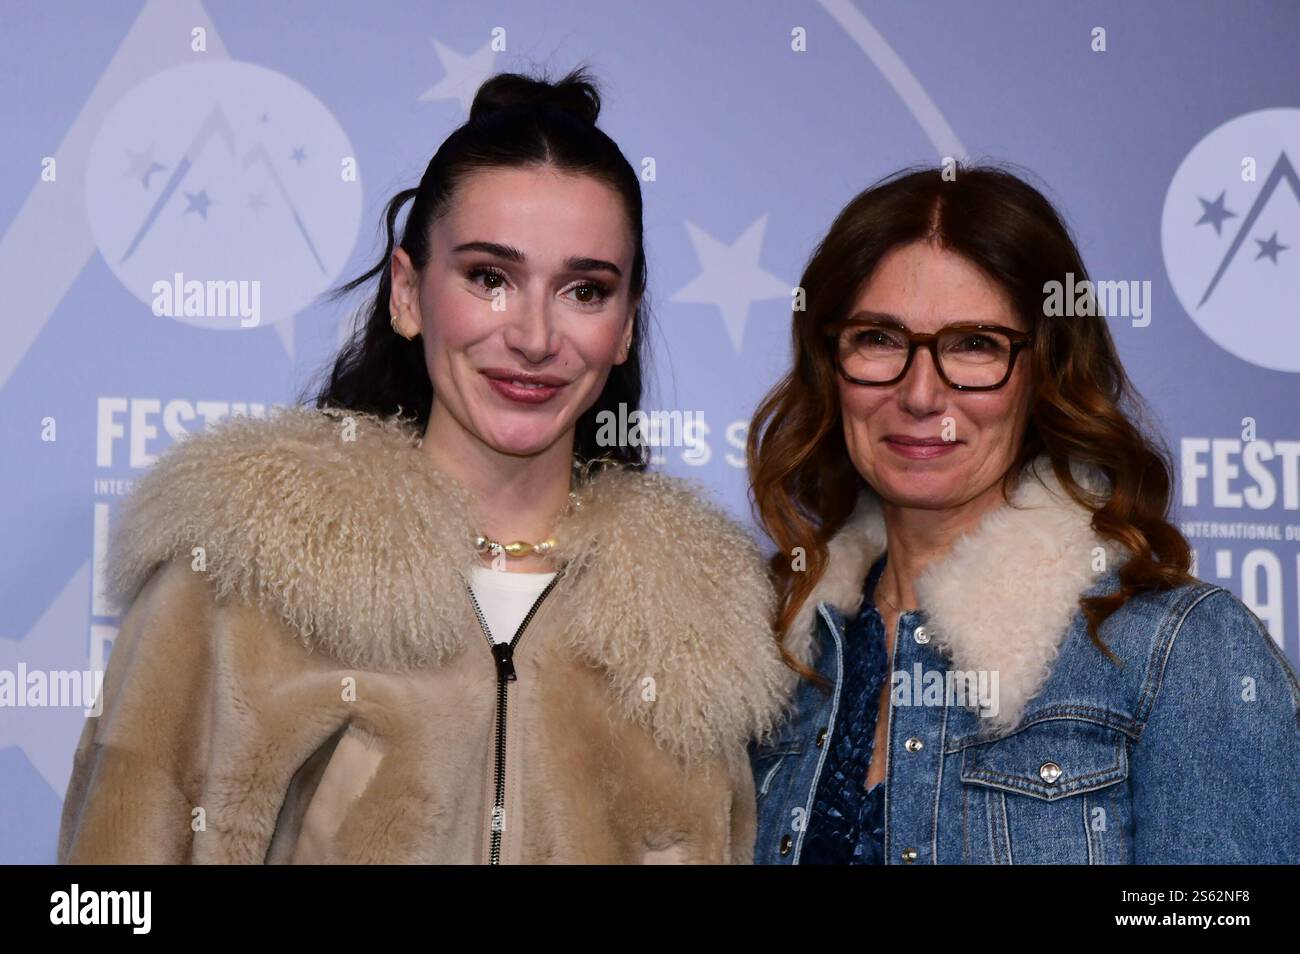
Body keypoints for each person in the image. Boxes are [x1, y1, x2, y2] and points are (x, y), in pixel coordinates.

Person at [58, 68, 789, 864]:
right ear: (408, 292)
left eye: (584, 289)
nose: (536, 336)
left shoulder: (696, 640)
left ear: (624, 326)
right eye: (489, 278)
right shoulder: (245, 574)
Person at [747, 163, 1300, 864]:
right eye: (879, 339)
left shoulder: (1178, 650)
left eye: (975, 345)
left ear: (1047, 370)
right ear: (830, 363)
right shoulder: (777, 658)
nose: (921, 395)